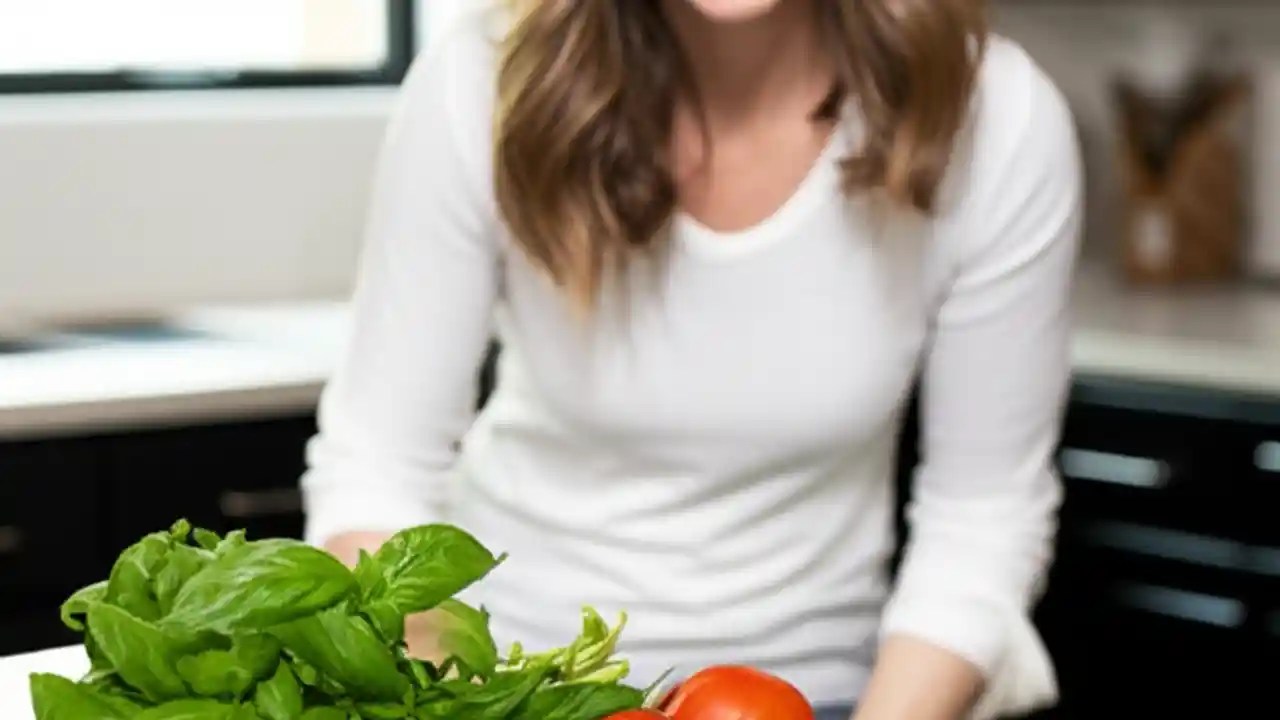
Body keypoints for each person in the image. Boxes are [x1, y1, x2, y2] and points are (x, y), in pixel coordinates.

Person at [299, 0, 1083, 718]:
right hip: (513, 689)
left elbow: (982, 517)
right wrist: (451, 699)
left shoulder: (1000, 121)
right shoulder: (477, 83)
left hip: (828, 699)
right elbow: (379, 467)